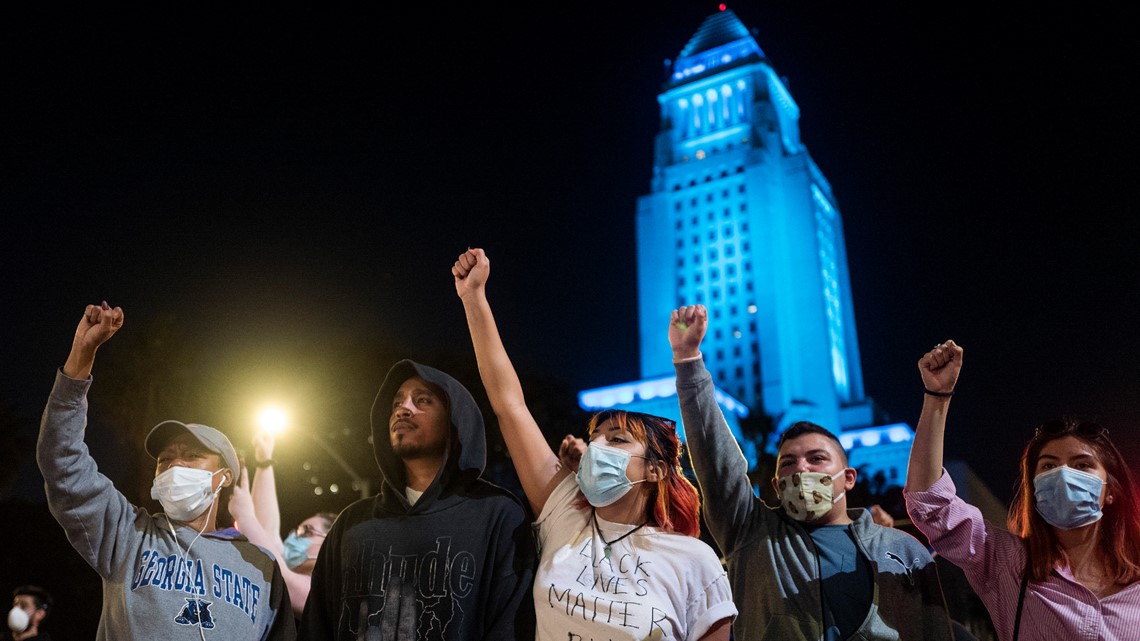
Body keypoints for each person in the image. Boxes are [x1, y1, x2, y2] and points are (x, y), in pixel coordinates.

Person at [453, 248, 737, 641]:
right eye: (595, 437)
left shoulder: (696, 562)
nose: (597, 447)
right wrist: (474, 298)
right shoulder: (563, 515)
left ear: (655, 469)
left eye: (617, 439)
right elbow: (510, 405)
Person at [669, 304, 954, 640]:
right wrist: (688, 360)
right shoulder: (753, 534)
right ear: (776, 484)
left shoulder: (903, 550)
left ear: (848, 478)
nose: (801, 468)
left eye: (816, 459)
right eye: (788, 463)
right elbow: (716, 460)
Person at [37, 301, 295, 640]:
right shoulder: (128, 534)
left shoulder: (262, 566)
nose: (176, 464)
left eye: (192, 456)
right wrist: (80, 359)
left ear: (224, 476)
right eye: (165, 459)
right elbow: (62, 460)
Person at [904, 340, 1140, 640]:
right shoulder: (1007, 563)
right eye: (1049, 466)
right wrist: (937, 397)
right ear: (1035, 487)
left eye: (1082, 465)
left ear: (1111, 491)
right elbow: (931, 503)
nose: (1064, 475)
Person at [298, 356, 536, 639]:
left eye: (422, 400)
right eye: (397, 403)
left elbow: (511, 626)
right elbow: (317, 626)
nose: (403, 409)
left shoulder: (497, 516)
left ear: (455, 420)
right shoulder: (351, 524)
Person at [228, 430, 336, 619]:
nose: (294, 536)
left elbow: (282, 576)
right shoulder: (291, 571)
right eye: (296, 530)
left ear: (330, 543)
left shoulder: (332, 590)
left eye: (306, 531)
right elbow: (266, 530)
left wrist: (244, 516)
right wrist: (264, 463)